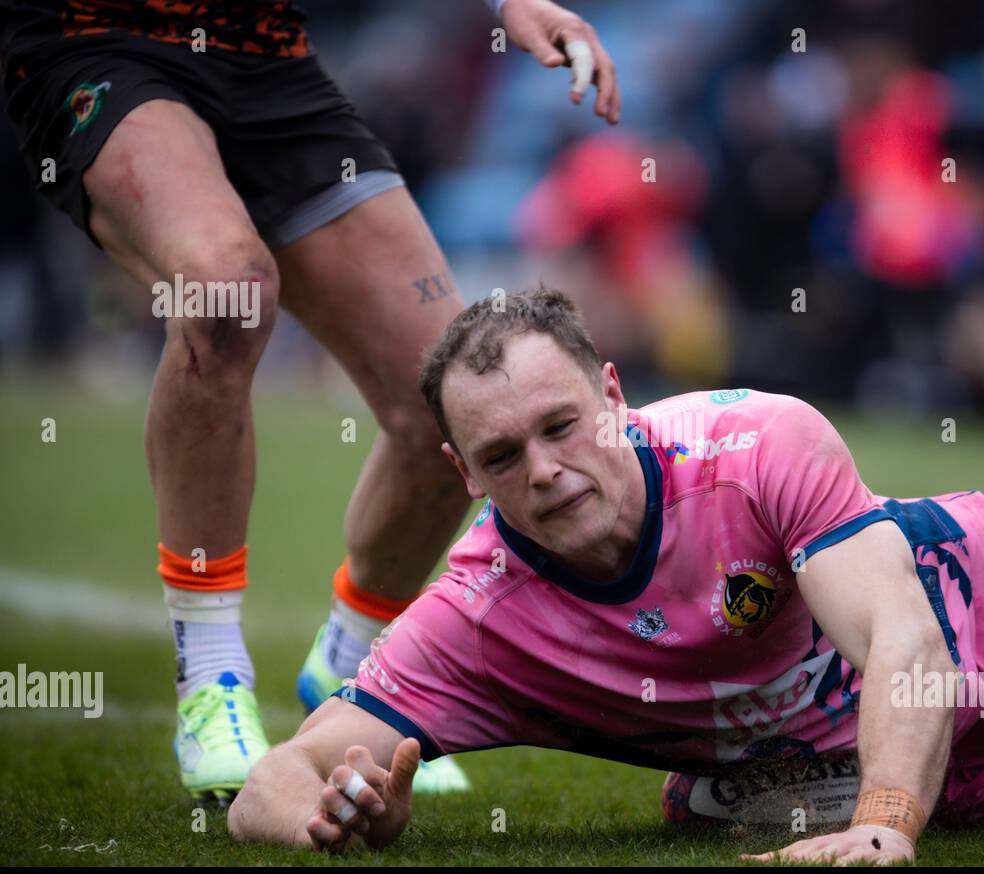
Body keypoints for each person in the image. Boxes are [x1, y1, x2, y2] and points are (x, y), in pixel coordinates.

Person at [227, 288, 984, 862]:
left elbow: (903, 642)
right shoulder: (473, 617)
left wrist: (884, 822)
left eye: (561, 426)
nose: (545, 473)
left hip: (973, 577)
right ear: (461, 473)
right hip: (935, 760)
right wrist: (332, 815)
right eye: (503, 458)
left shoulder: (753, 442)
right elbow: (270, 784)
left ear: (613, 397)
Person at [0, 0, 621, 799]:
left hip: (266, 59)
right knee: (226, 292)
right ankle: (210, 682)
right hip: (99, 41)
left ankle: (351, 669)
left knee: (457, 394)